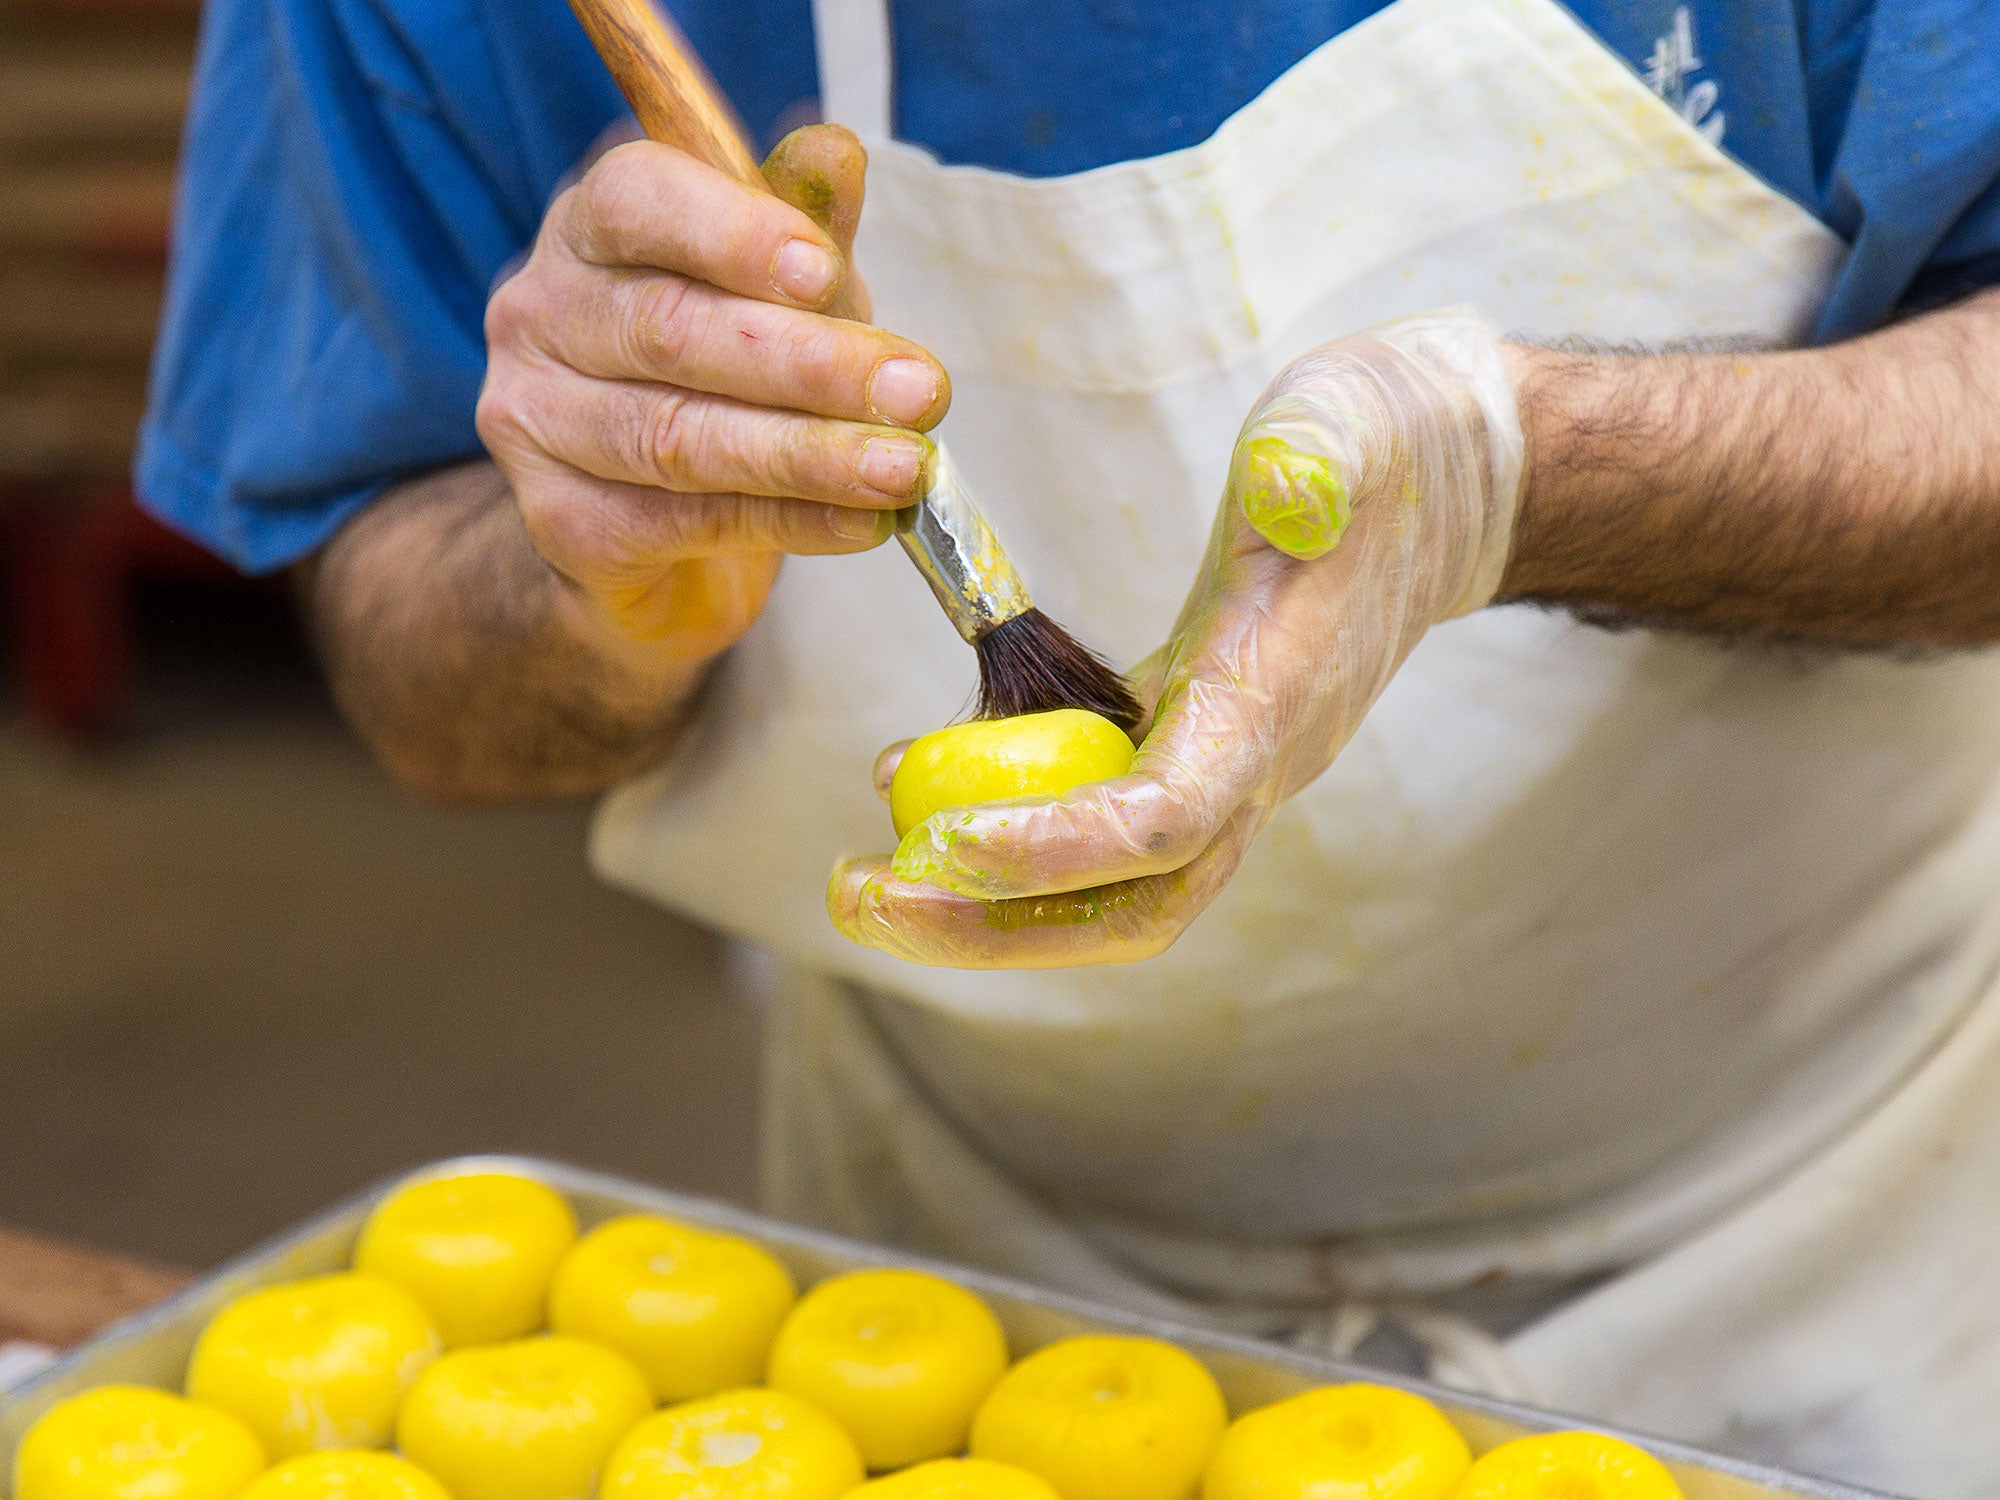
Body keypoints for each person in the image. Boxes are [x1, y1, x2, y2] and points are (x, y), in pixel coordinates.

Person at [141, 0, 2000, 1491]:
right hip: (955, 1295)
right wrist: (586, 598)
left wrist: (1529, 476)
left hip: (1815, 1219)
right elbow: (424, 683)